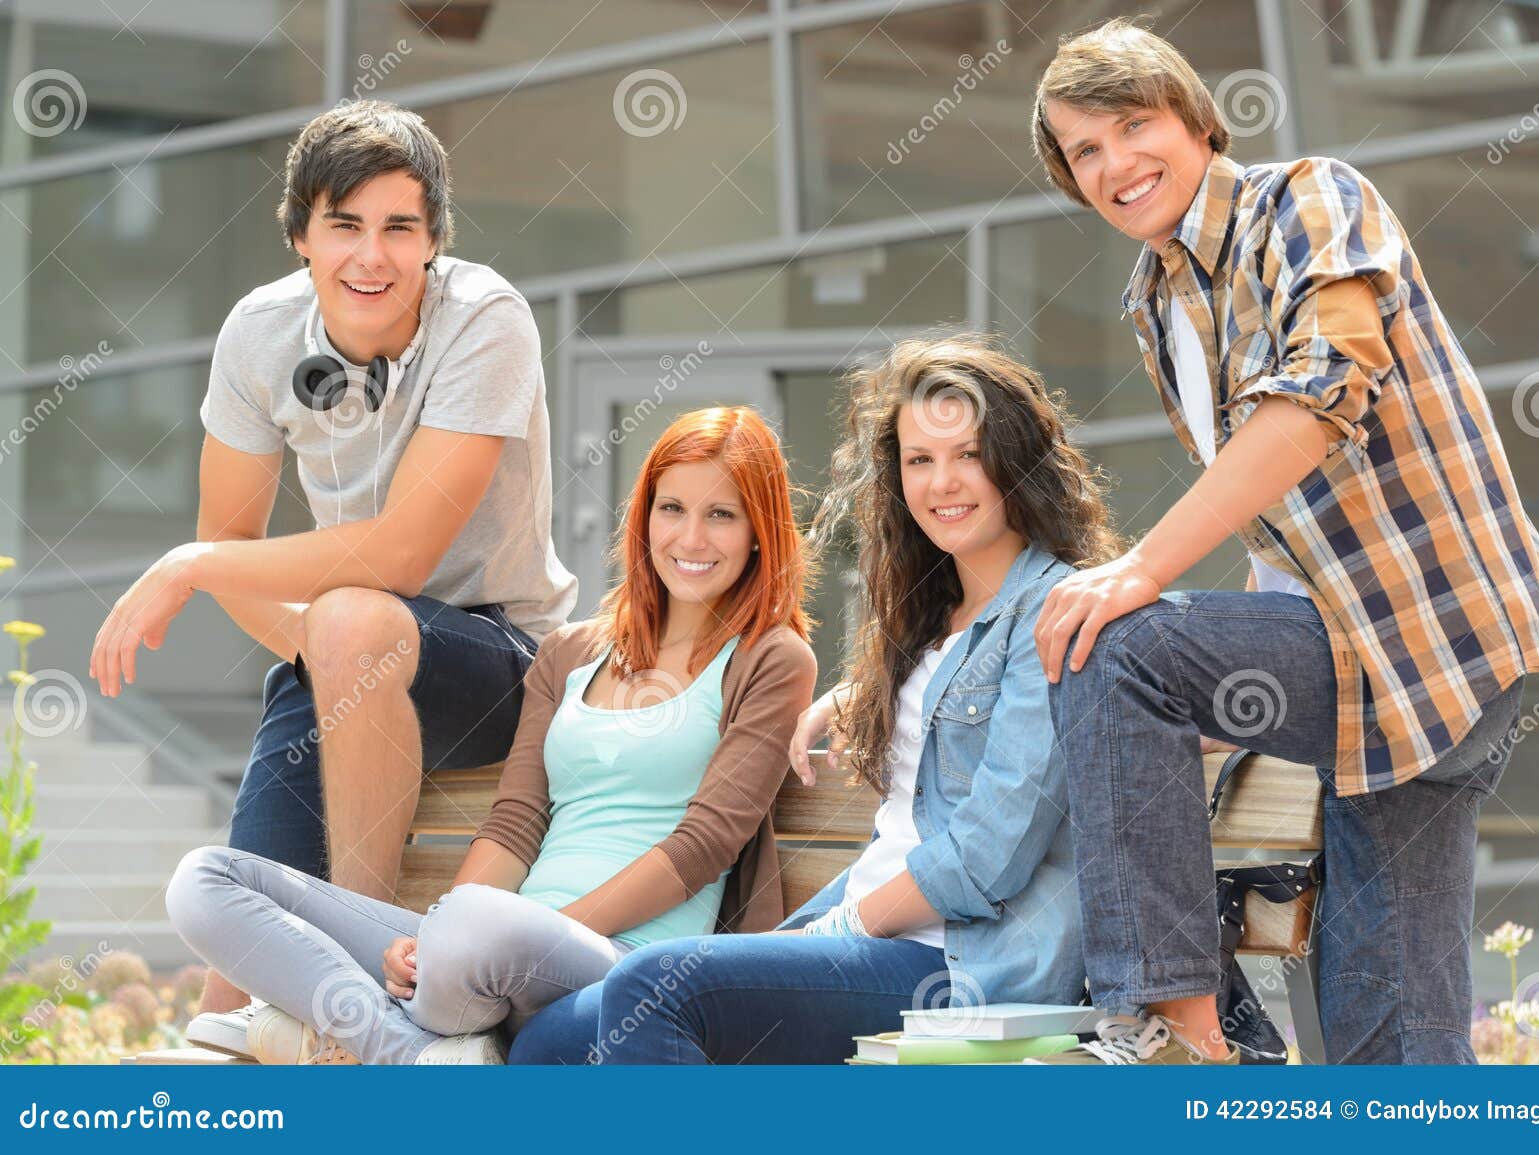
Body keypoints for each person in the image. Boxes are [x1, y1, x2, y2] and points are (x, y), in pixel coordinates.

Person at [1028, 19, 1539, 1063]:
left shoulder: (1306, 199)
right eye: (1084, 151)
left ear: (1196, 120)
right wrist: (1220, 696)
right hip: (1346, 659)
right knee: (1385, 1033)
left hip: (1435, 638)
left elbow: (1320, 397)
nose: (1114, 164)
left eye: (1132, 125)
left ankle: (1174, 1029)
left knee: (1117, 640)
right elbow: (1275, 517)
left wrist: (1146, 575)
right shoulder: (1157, 300)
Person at [88, 100, 577, 1037]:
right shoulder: (260, 333)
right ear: (301, 236)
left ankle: (359, 999)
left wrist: (194, 563)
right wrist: (331, 647)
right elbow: (243, 561)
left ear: (434, 238)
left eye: (400, 226)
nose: (372, 255)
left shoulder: (486, 319)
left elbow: (400, 554)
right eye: (343, 225)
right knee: (221, 1016)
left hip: (505, 663)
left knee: (351, 612)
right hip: (353, 651)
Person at [510, 336, 1121, 1064]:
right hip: (865, 937)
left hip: (956, 966)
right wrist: (863, 689)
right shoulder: (933, 622)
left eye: (968, 454)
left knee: (662, 985)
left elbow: (988, 855)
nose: (942, 482)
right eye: (919, 460)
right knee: (554, 1037)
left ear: (1014, 461)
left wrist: (844, 926)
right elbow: (918, 793)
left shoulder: (1055, 611)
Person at [165, 406, 817, 1064]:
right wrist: (439, 933)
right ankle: (411, 1052)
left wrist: (522, 928)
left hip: (620, 957)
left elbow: (703, 846)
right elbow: (515, 822)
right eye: (672, 507)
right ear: (645, 515)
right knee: (206, 880)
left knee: (480, 927)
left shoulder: (773, 659)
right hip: (491, 941)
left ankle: (345, 1029)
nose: (692, 537)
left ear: (760, 531)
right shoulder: (569, 653)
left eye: (722, 515)